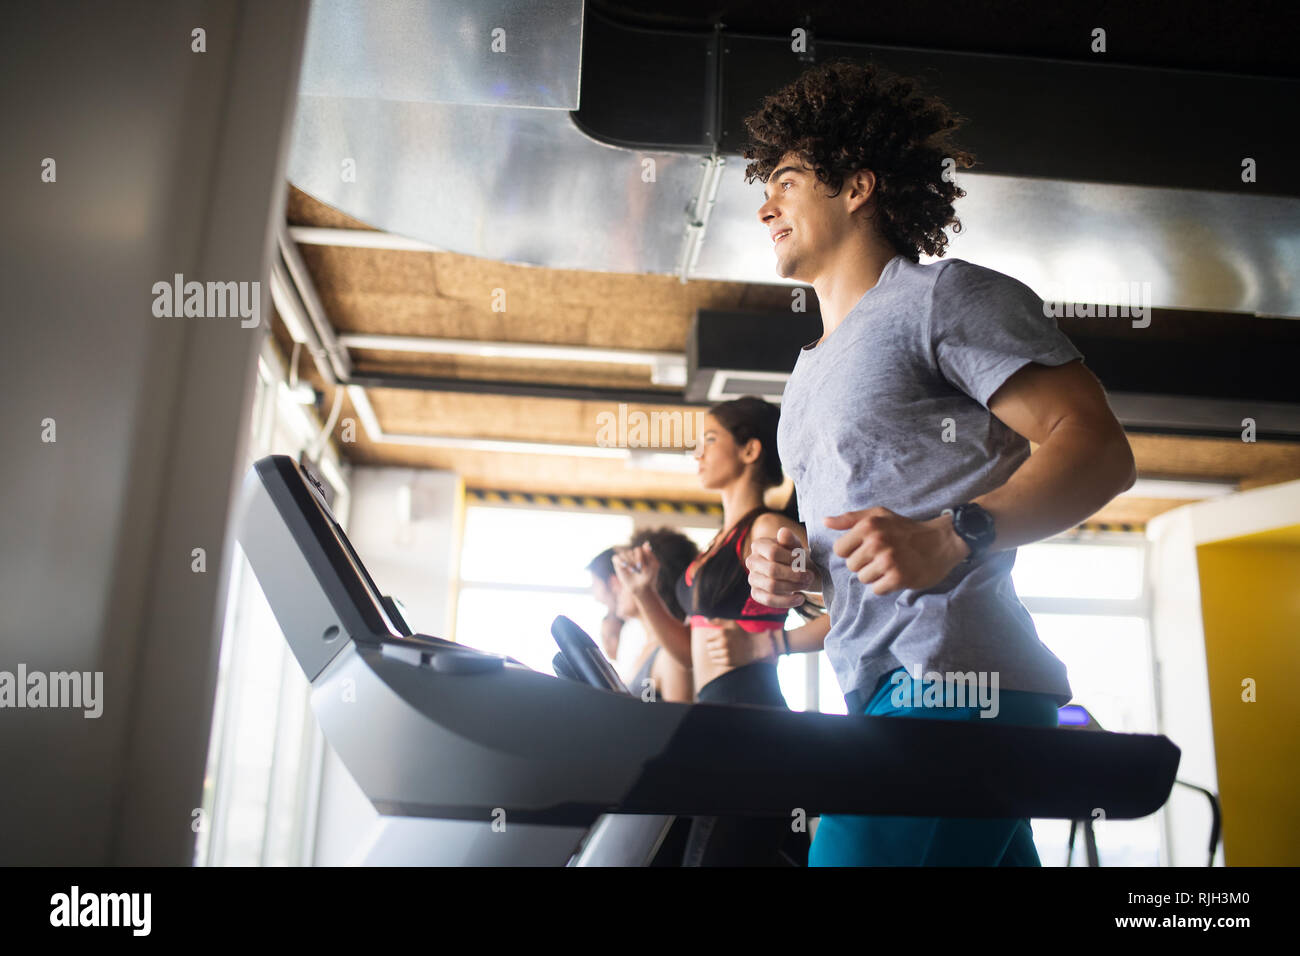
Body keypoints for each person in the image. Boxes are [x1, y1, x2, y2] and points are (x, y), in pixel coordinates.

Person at [740, 60, 1137, 866]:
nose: (764, 204)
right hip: (883, 691)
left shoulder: (938, 297)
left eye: (786, 180)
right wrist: (793, 567)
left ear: (856, 186)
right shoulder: (809, 371)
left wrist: (956, 535)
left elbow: (1097, 447)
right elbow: (878, 545)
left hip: (953, 687)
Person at [613, 396, 829, 866]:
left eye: (709, 440)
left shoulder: (769, 527)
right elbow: (690, 654)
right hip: (719, 721)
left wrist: (770, 642)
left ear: (750, 450)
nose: (697, 453)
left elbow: (857, 608)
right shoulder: (717, 544)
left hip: (752, 724)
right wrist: (646, 592)